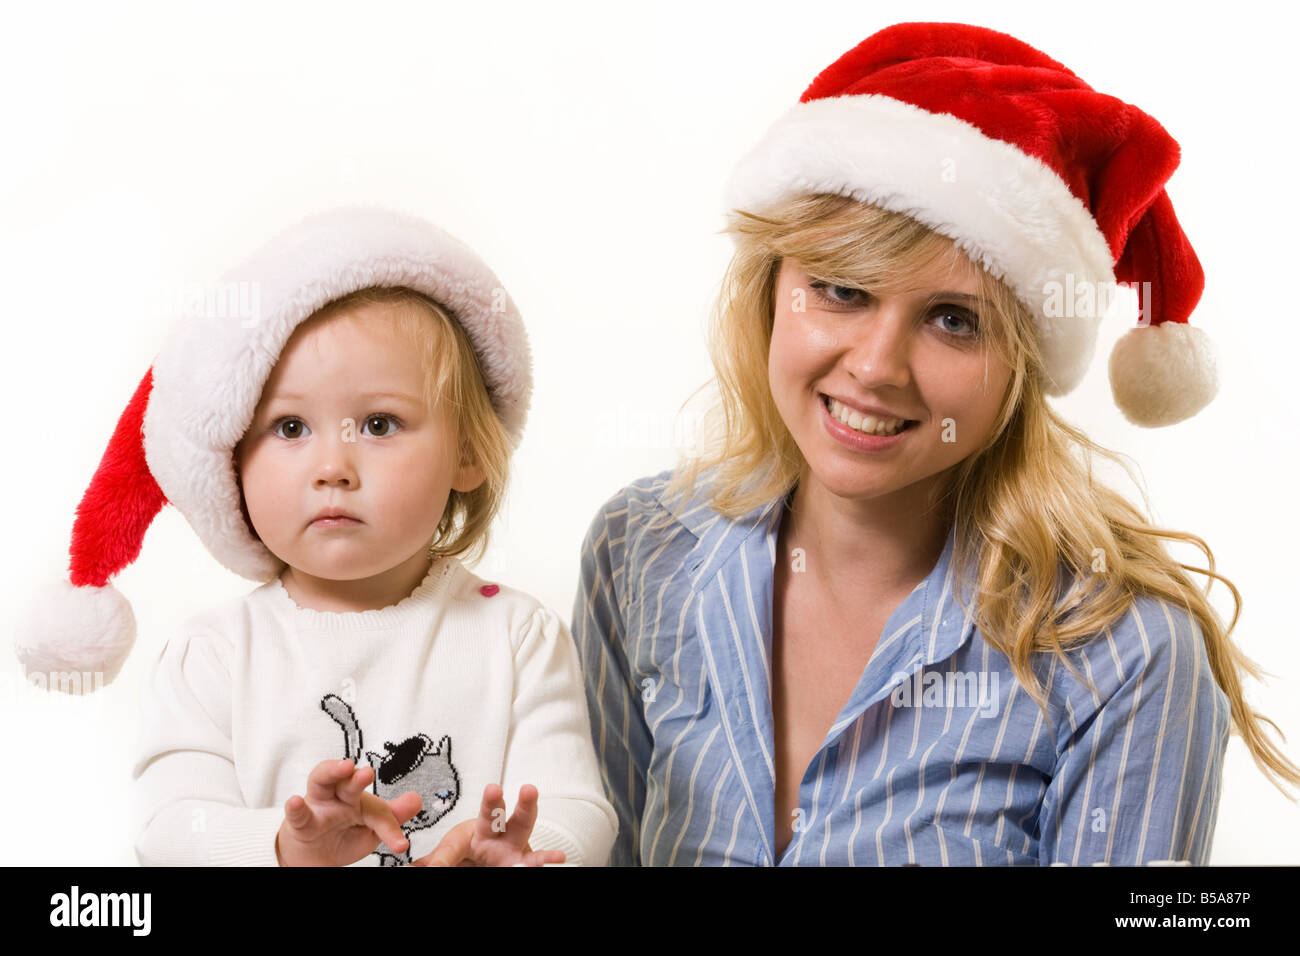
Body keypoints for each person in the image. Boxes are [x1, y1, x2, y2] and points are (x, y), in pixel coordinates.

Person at [572, 21, 1300, 866]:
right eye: (841, 290)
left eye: (955, 321)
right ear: (770, 289)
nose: (877, 368)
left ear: (1024, 361)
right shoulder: (640, 550)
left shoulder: (1127, 657)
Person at [16, 205, 616, 867]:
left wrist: (518, 848)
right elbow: (169, 830)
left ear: (470, 451)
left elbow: (577, 807)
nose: (333, 468)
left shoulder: (517, 636)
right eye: (291, 428)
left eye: (381, 424)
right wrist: (285, 844)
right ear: (233, 463)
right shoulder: (214, 656)